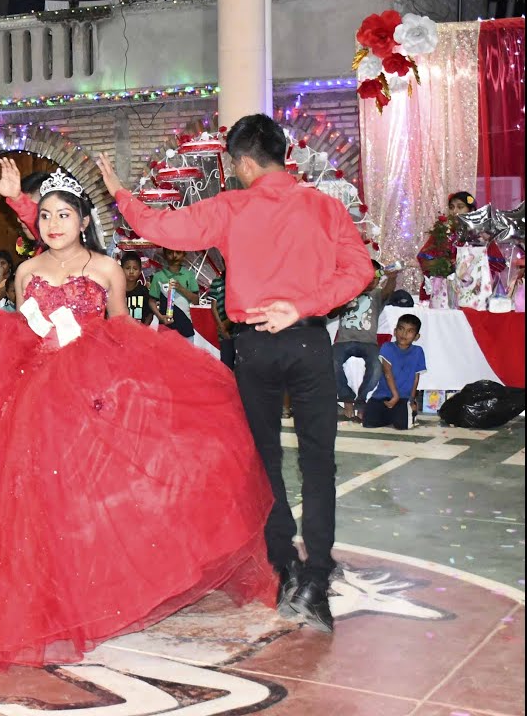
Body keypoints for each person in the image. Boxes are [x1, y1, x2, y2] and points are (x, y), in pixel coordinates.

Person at [0, 166, 276, 668]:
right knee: (39, 495)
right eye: (47, 215)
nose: (55, 224)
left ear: (82, 221)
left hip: (96, 389)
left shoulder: (107, 268)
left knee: (98, 493)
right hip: (37, 397)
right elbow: (20, 336)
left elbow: (123, 331)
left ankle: (99, 586)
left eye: (65, 215)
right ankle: (50, 592)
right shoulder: (27, 273)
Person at [94, 113, 374, 632]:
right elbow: (361, 270)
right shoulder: (324, 206)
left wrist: (120, 193)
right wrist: (303, 305)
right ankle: (315, 576)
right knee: (319, 462)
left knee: (262, 458)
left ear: (244, 163)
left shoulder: (232, 206)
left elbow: (159, 228)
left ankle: (284, 566)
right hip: (310, 339)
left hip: (254, 347)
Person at [332, 260, 397, 421]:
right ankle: (347, 397)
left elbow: (388, 291)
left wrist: (392, 278)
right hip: (343, 342)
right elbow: (331, 314)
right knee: (331, 360)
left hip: (368, 343)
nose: (371, 281)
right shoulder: (347, 292)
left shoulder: (377, 295)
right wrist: (347, 296)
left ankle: (361, 401)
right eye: (367, 277)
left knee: (376, 366)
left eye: (374, 278)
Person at [363, 314, 425, 430]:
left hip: (402, 397)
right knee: (369, 422)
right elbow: (387, 373)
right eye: (401, 329)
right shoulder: (387, 347)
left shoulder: (418, 352)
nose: (404, 334)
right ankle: (392, 415)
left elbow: (416, 378)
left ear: (416, 337)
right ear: (395, 331)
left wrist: (411, 399)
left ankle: (404, 413)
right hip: (383, 395)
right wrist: (394, 396)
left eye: (410, 331)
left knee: (402, 426)